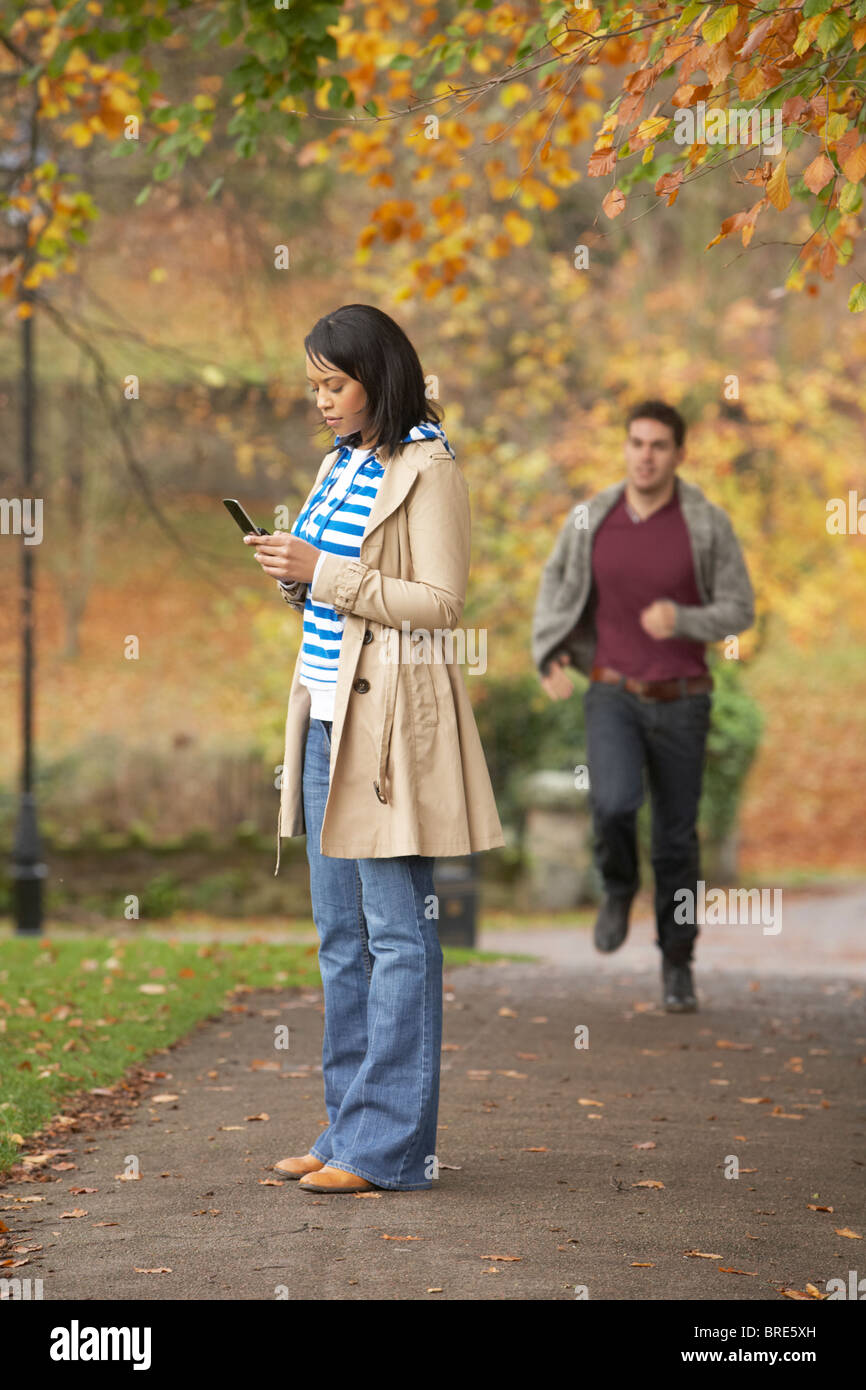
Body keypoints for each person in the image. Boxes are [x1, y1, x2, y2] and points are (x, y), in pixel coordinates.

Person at [245, 303, 504, 1193]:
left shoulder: (429, 470)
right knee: (338, 936)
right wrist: (299, 577)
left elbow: (440, 603)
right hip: (322, 716)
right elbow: (339, 591)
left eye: (334, 383)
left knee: (397, 935)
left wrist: (327, 574)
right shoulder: (338, 462)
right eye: (314, 384)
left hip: (389, 727)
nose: (320, 399)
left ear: (377, 379)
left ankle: (389, 1147)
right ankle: (346, 1126)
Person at [531, 401, 755, 1012]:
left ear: (680, 454)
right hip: (612, 691)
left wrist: (682, 619)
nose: (646, 455)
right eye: (636, 443)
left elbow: (740, 608)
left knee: (678, 842)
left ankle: (678, 963)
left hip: (685, 699)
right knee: (612, 802)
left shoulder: (706, 523)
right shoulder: (592, 517)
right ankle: (618, 886)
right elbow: (556, 584)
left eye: (659, 445)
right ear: (625, 448)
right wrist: (548, 650)